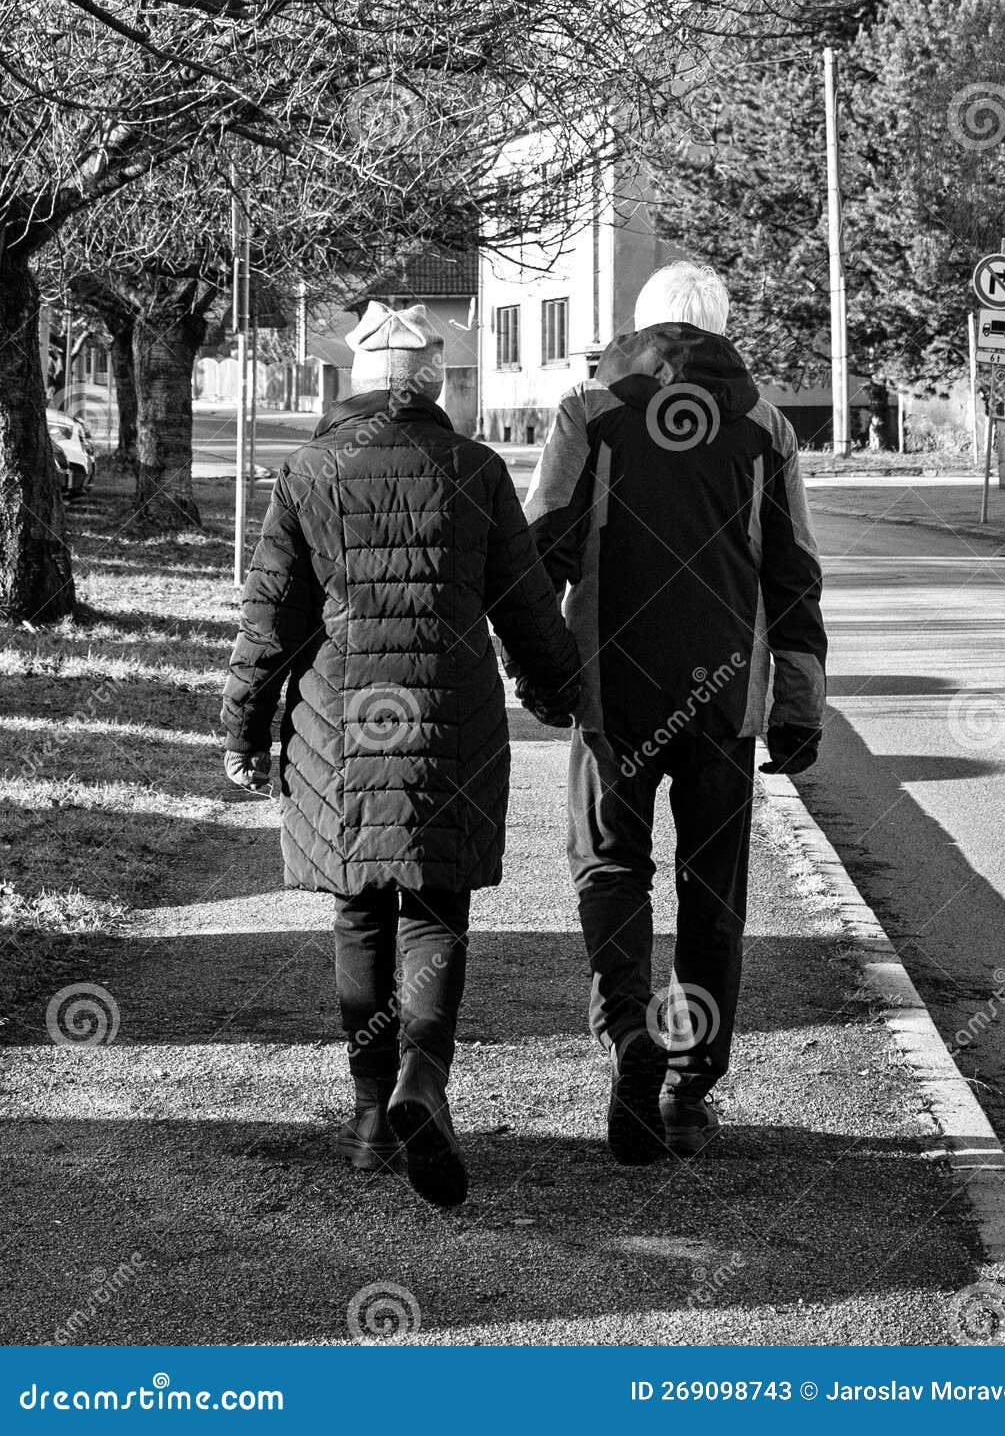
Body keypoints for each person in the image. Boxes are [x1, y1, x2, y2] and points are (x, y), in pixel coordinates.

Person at [221, 302, 579, 1208]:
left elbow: (271, 621)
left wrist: (242, 729)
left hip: (338, 725)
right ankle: (426, 1081)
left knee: (358, 913)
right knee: (434, 907)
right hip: (445, 714)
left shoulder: (308, 472)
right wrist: (559, 692)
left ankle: (371, 1116)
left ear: (348, 381)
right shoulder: (475, 468)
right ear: (432, 385)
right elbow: (527, 605)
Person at [524, 261, 826, 1165]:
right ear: (722, 330)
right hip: (724, 700)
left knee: (608, 869)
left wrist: (540, 673)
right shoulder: (765, 427)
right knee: (712, 893)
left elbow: (543, 545)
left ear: (639, 327)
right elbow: (793, 572)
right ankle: (690, 1089)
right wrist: (798, 707)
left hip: (611, 693)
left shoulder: (591, 411)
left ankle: (627, 1041)